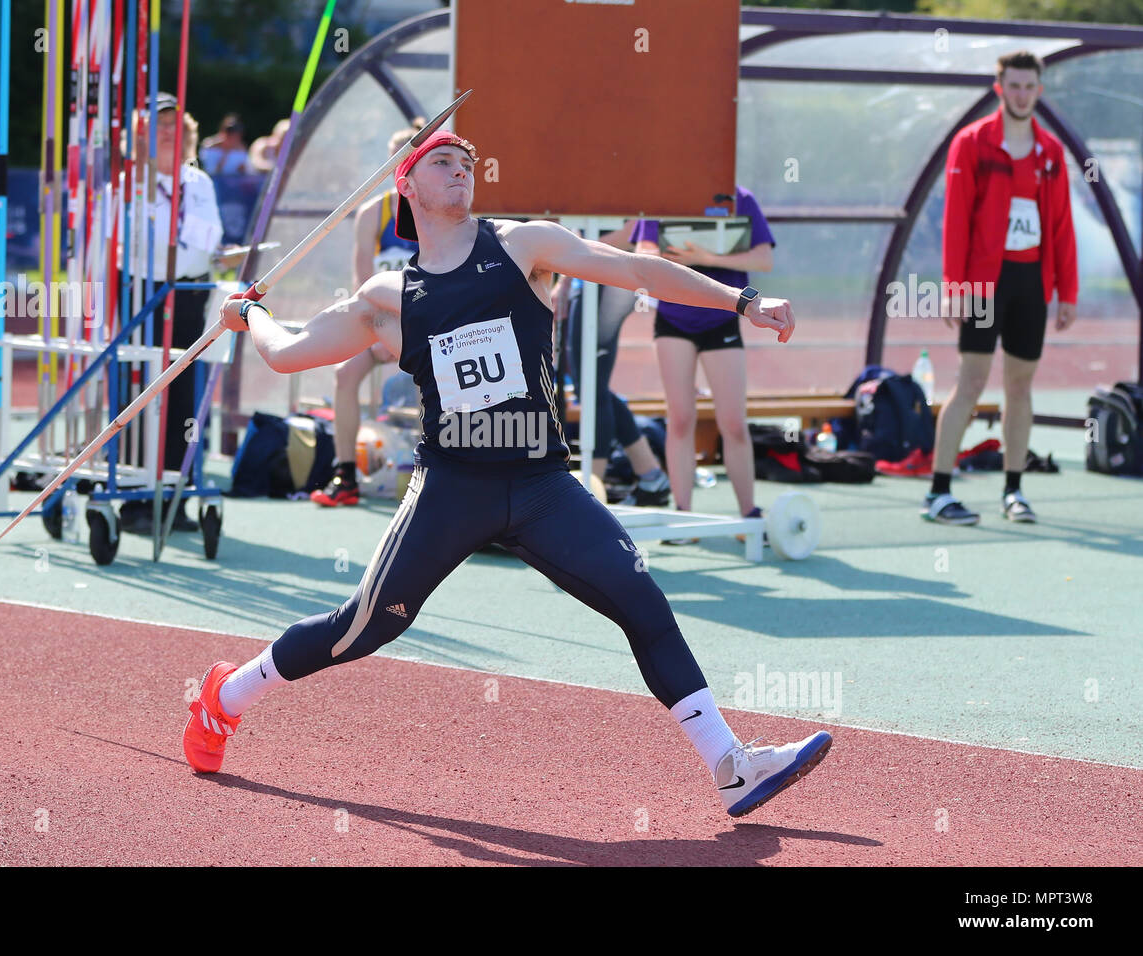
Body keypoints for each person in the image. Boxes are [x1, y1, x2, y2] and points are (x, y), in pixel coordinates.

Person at [183, 130, 830, 819]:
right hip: (451, 490)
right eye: (442, 162)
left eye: (468, 164)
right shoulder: (389, 294)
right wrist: (249, 313)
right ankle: (225, 697)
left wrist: (742, 302)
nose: (461, 171)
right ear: (406, 185)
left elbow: (639, 271)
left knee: (643, 604)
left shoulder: (526, 246)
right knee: (359, 632)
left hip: (541, 484)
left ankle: (731, 765)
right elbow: (288, 355)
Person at [925, 50, 1077, 526]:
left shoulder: (1050, 152)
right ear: (999, 88)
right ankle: (939, 493)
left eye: (1029, 86)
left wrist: (1066, 292)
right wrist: (954, 286)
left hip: (1030, 281)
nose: (1021, 94)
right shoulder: (971, 143)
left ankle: (1014, 491)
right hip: (982, 283)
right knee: (970, 381)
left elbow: (1061, 224)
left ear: (1040, 90)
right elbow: (955, 223)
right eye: (1013, 85)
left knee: (1020, 386)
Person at [631, 186, 776, 541]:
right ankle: (683, 516)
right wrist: (679, 256)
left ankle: (749, 515)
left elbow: (763, 259)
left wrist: (706, 255)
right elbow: (642, 253)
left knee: (734, 422)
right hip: (673, 320)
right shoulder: (663, 195)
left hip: (723, 319)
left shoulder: (740, 198)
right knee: (679, 419)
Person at [122, 92, 225, 534]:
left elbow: (210, 239)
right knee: (142, 391)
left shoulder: (199, 182)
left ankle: (175, 495)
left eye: (177, 127)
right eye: (160, 127)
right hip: (143, 293)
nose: (170, 134)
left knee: (185, 392)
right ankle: (134, 498)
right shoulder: (127, 184)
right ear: (140, 136)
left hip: (191, 294)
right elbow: (126, 244)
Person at [311, 121, 424, 507]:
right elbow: (364, 285)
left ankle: (435, 476)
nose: (404, 166)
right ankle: (345, 474)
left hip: (426, 323)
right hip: (380, 319)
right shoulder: (374, 214)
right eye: (399, 158)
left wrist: (401, 333)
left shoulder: (438, 209)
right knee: (344, 373)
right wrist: (382, 333)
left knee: (434, 382)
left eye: (414, 157)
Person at [557, 223, 671, 506]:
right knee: (590, 386)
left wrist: (578, 247)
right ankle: (651, 476)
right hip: (584, 278)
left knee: (591, 388)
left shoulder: (622, 185)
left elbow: (634, 231)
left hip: (611, 278)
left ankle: (591, 492)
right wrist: (565, 282)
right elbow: (574, 231)